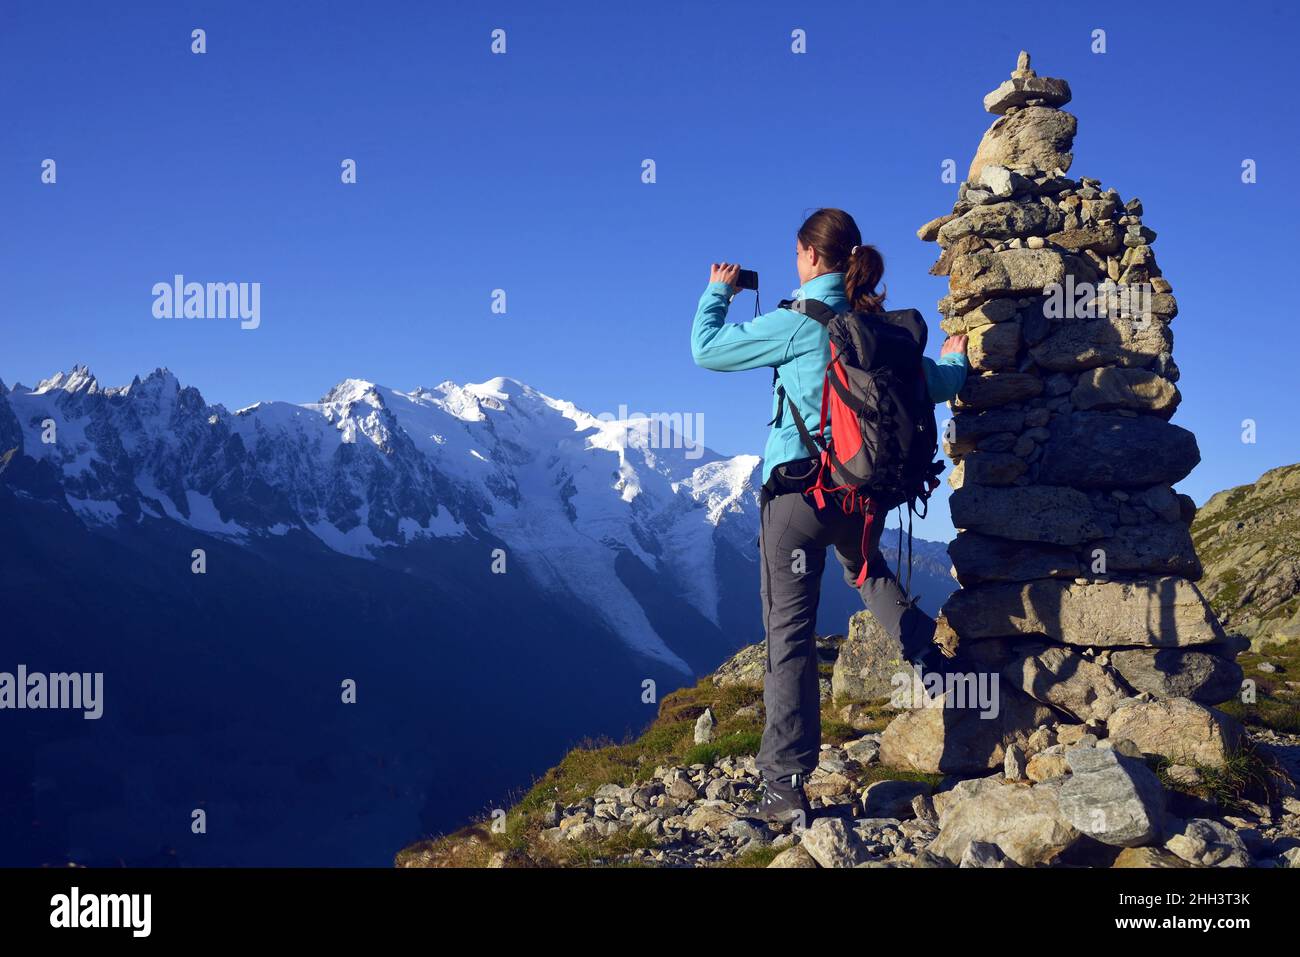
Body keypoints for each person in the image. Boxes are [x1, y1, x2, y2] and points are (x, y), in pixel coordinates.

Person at [690, 208, 969, 823]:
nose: (795, 262)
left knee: (788, 635)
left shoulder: (798, 321)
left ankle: (785, 786)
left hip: (798, 500)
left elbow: (706, 351)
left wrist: (718, 291)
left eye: (797, 253)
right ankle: (940, 671)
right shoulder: (877, 331)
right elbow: (940, 384)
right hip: (861, 499)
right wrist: (956, 357)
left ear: (811, 256)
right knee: (867, 573)